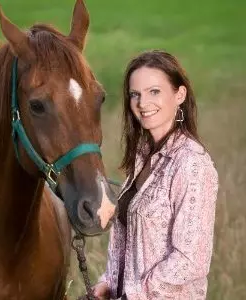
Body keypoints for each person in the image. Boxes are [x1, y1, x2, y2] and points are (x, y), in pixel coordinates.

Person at [92, 50, 219, 300]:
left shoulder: (191, 164)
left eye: (154, 92)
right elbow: (126, 242)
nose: (142, 103)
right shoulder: (141, 158)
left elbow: (190, 260)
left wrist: (133, 295)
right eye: (135, 94)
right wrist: (107, 283)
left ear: (179, 95)